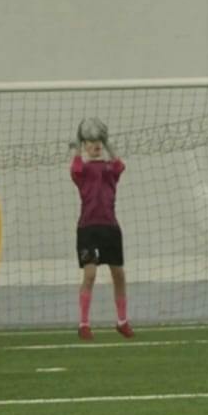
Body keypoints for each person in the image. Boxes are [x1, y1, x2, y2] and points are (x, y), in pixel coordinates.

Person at [71, 127, 132, 338]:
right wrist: (78, 144)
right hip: (88, 229)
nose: (96, 145)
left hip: (110, 228)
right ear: (85, 146)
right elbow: (75, 166)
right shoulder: (83, 170)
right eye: (91, 142)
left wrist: (108, 143)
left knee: (119, 274)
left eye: (99, 142)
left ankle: (122, 321)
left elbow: (120, 165)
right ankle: (84, 324)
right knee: (90, 274)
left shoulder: (110, 168)